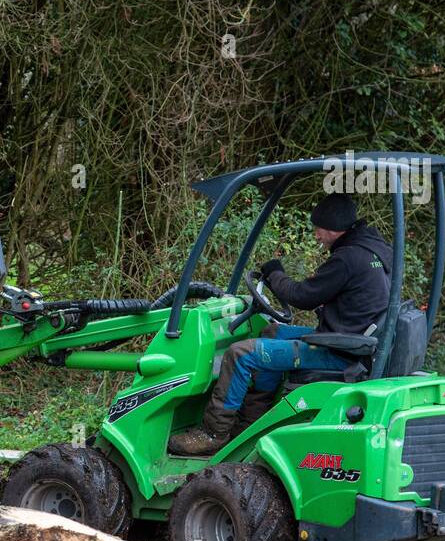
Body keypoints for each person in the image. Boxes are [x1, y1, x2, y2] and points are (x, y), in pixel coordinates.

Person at [168, 192, 392, 456]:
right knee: (273, 331)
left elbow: (302, 296)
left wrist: (274, 273)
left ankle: (213, 433)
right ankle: (252, 422)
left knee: (239, 354)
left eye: (318, 229)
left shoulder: (347, 259)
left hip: (340, 353)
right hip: (353, 341)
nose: (316, 235)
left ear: (334, 228)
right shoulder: (374, 251)